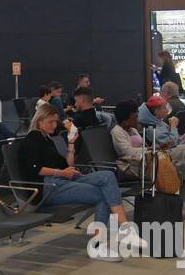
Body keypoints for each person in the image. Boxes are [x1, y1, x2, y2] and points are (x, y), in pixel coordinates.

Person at [21, 103, 144, 261]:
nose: (54, 125)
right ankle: (98, 246)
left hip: (60, 180)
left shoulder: (47, 140)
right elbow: (35, 168)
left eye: (55, 121)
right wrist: (61, 172)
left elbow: (68, 166)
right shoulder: (32, 138)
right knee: (102, 195)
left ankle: (126, 230)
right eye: (50, 121)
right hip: (48, 187)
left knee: (106, 176)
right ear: (39, 121)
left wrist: (71, 143)